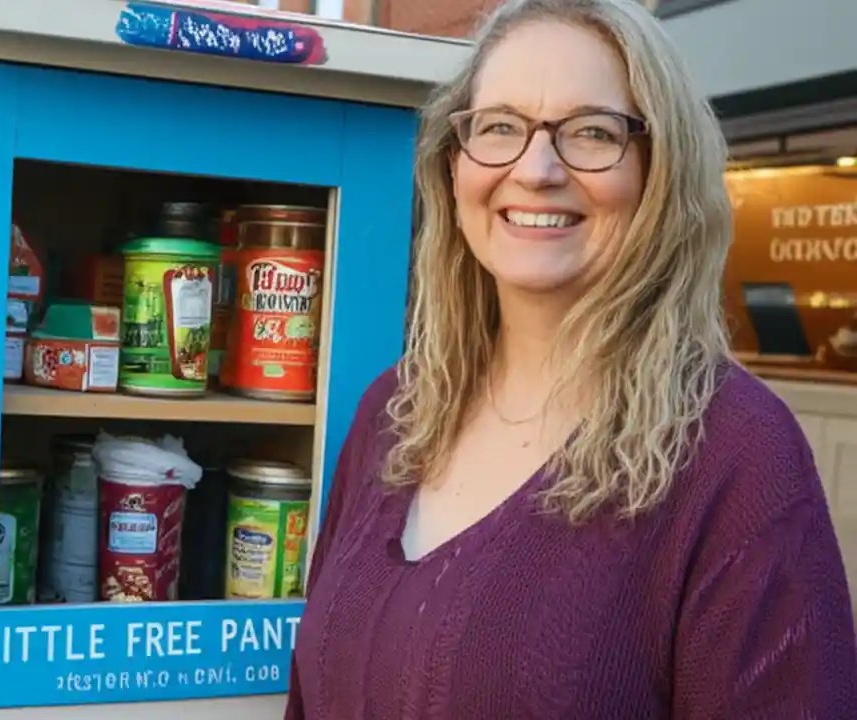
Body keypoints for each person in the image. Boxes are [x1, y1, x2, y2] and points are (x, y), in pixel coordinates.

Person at [285, 0, 857, 717]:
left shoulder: (738, 457)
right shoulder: (395, 412)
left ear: (661, 173)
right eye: (500, 127)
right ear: (453, 167)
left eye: (592, 132)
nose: (537, 168)